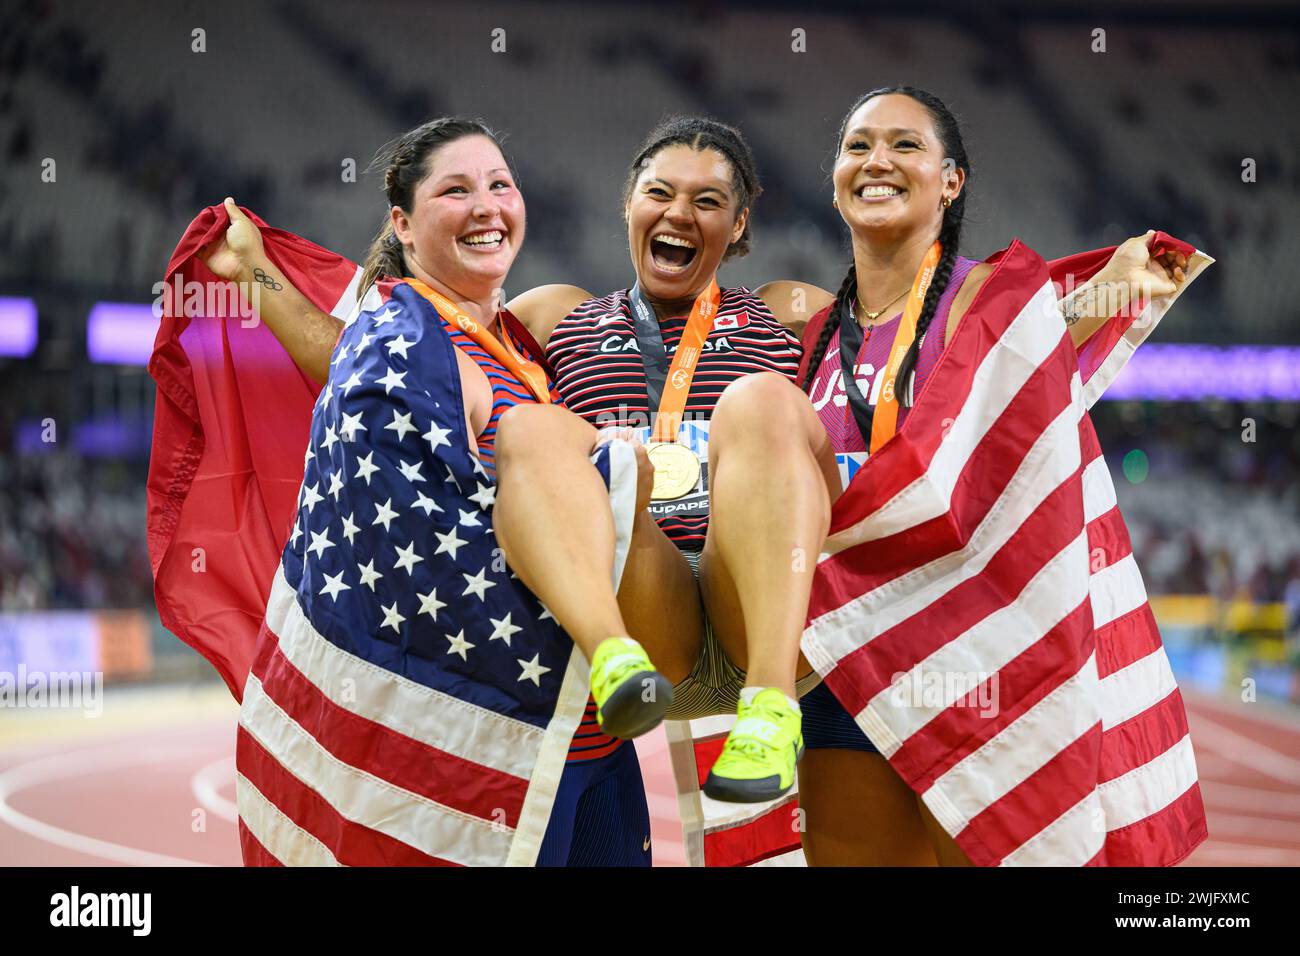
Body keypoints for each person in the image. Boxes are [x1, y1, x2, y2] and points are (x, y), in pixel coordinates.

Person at [201, 117, 668, 866]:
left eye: (500, 185)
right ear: (403, 225)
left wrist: (260, 278)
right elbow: (382, 433)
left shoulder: (521, 342)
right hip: (506, 751)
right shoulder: (409, 336)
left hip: (590, 734)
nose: (487, 205)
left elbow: (334, 352)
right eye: (456, 190)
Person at [794, 86, 1195, 865]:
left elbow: (1133, 284)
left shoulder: (1006, 307)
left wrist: (1132, 275)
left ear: (952, 181)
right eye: (858, 145)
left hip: (982, 666)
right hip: (851, 668)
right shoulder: (809, 335)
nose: (877, 160)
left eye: (906, 145)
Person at [498, 117, 840, 803]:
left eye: (709, 202)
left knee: (761, 400)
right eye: (660, 192)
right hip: (645, 613)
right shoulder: (553, 316)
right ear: (629, 204)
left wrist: (1084, 304)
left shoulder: (787, 310)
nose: (680, 213)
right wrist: (260, 276)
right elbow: (407, 361)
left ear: (739, 225)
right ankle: (610, 657)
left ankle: (772, 712)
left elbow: (933, 362)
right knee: (531, 429)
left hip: (765, 603)